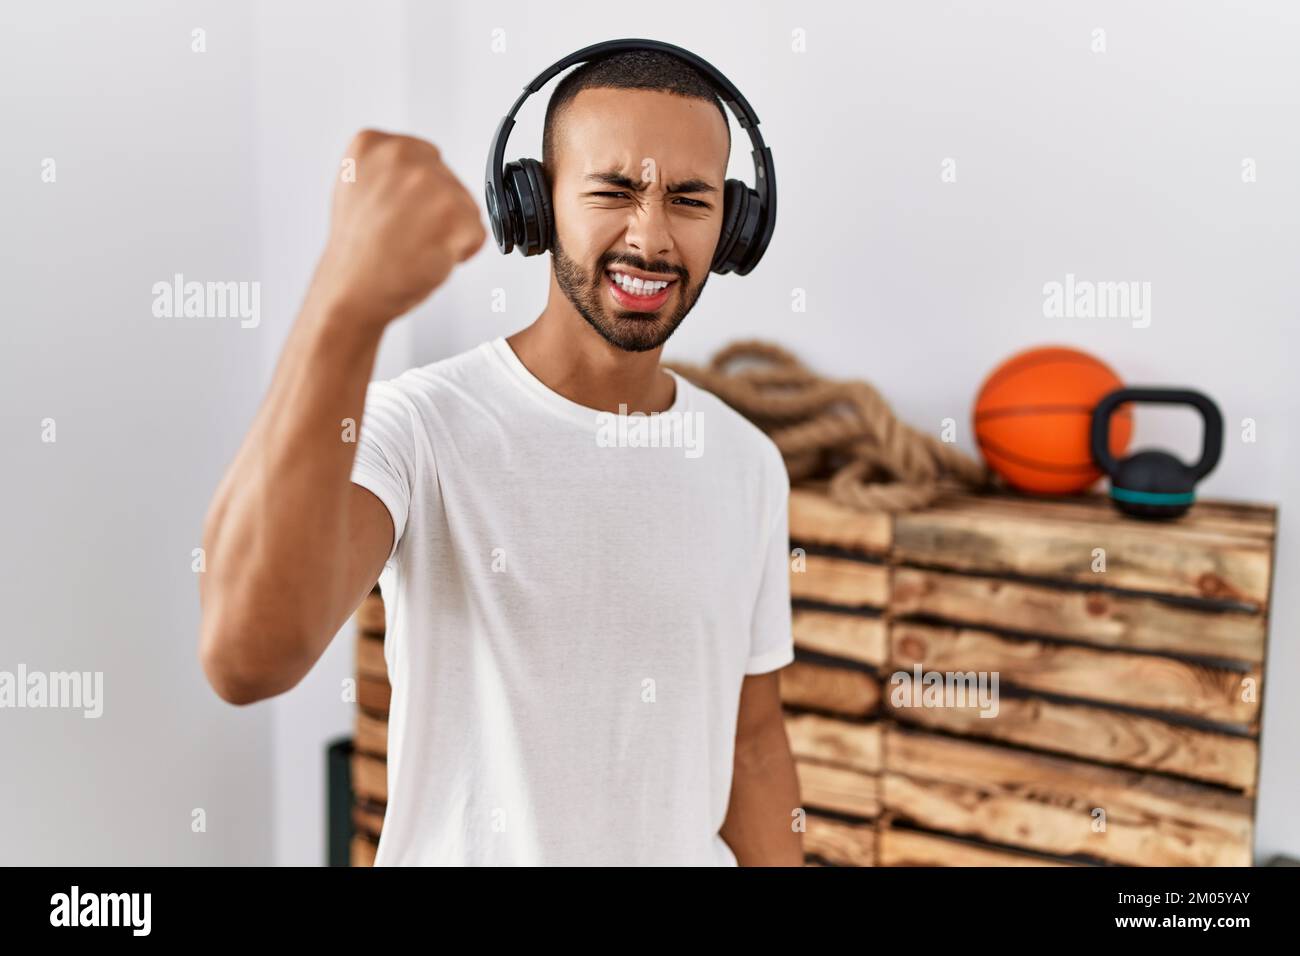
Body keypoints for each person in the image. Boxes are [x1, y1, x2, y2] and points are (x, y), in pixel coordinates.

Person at [198, 49, 801, 866]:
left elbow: (754, 744)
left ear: (733, 226)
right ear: (535, 203)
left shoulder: (747, 462)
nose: (650, 237)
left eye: (688, 200)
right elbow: (246, 659)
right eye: (614, 191)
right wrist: (345, 302)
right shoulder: (415, 428)